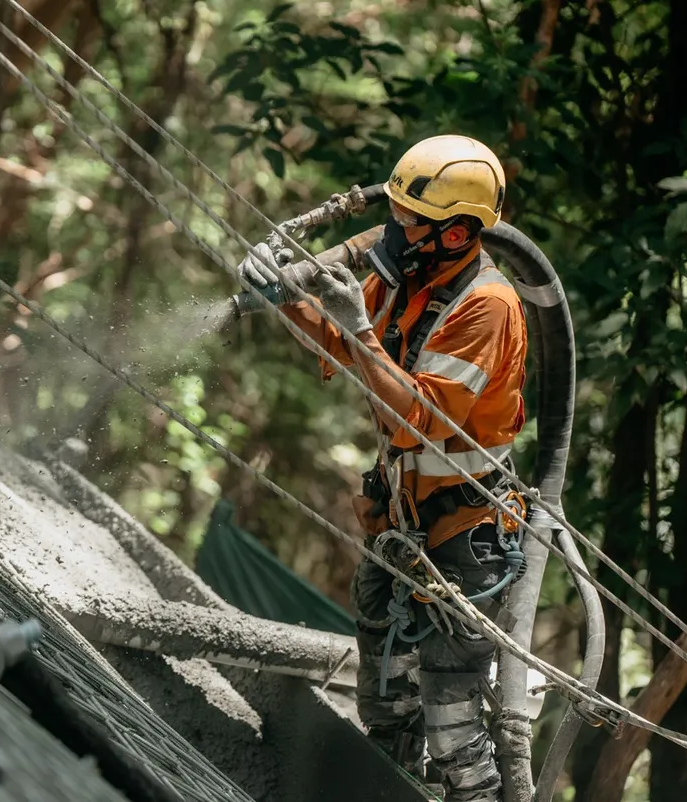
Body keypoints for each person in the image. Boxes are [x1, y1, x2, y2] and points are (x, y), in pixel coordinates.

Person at [237, 135, 527, 802]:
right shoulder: (408, 281)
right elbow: (340, 344)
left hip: (466, 534)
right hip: (401, 519)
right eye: (393, 214)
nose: (394, 231)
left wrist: (362, 331)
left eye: (410, 221)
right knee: (386, 706)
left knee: (454, 731)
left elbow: (418, 418)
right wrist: (283, 294)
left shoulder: (487, 305)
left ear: (457, 233)